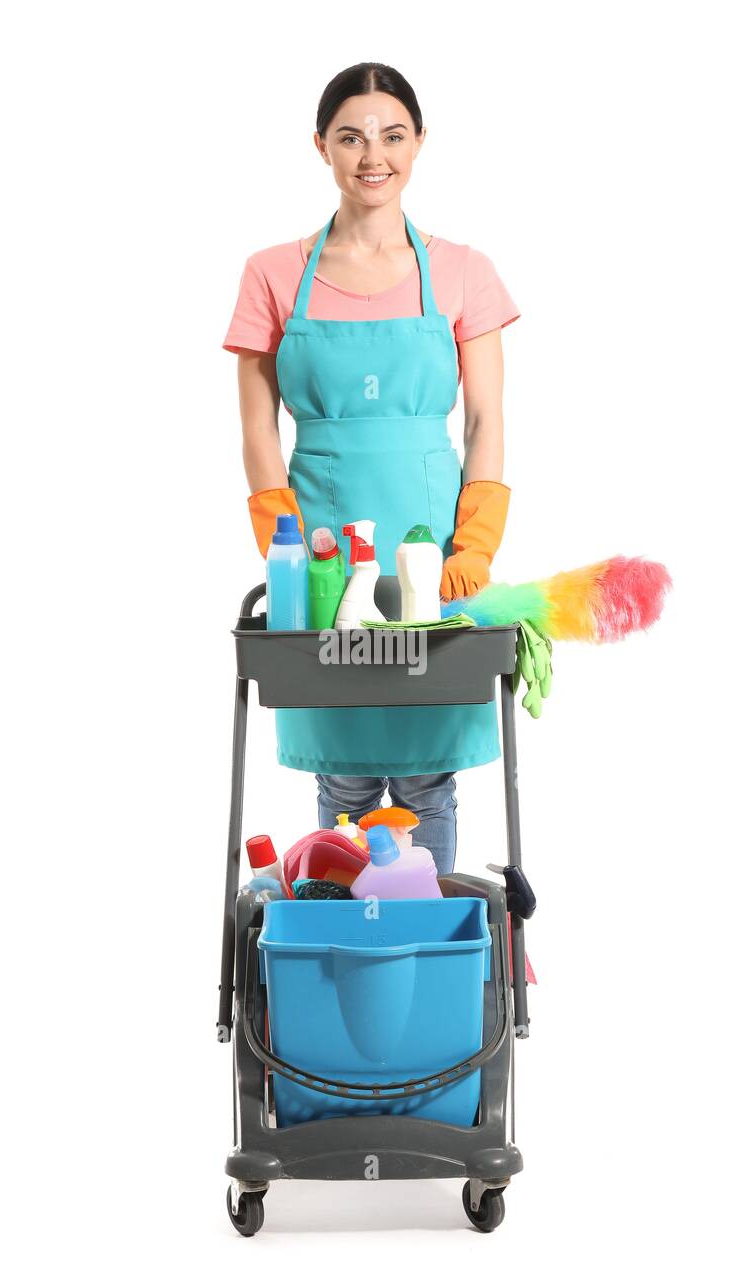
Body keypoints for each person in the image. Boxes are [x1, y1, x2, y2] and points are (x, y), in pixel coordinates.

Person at [223, 62, 519, 875]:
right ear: (321, 145)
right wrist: (282, 542)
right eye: (351, 136)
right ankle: (347, 958)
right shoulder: (273, 272)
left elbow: (488, 419)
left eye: (392, 135)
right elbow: (257, 425)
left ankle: (436, 961)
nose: (372, 154)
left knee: (428, 781)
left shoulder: (463, 270)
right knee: (346, 778)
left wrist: (476, 547)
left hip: (435, 559)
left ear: (419, 143)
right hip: (324, 554)